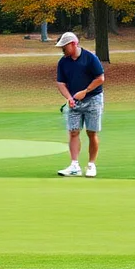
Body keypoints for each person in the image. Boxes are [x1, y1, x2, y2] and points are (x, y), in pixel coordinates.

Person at [54, 31, 105, 178]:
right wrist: (69, 98)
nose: (62, 51)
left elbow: (100, 78)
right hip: (74, 102)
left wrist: (85, 91)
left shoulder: (90, 58)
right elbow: (61, 83)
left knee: (91, 132)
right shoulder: (63, 62)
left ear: (73, 44)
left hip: (93, 99)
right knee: (73, 132)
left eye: (64, 47)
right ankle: (74, 165)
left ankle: (91, 165)